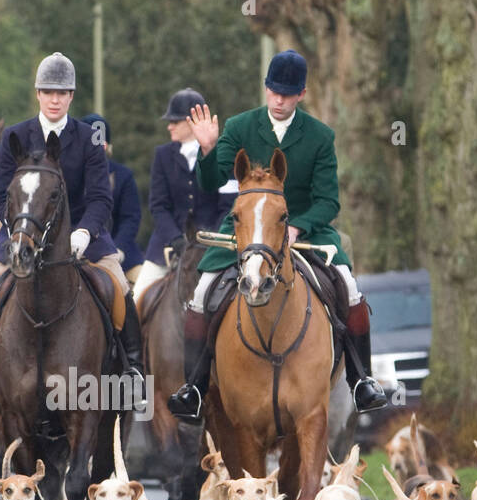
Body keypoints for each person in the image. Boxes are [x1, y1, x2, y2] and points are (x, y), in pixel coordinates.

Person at [166, 49, 388, 422]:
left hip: (304, 231)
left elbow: (328, 200)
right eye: (273, 91)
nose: (279, 100)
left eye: (287, 93)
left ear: (301, 94)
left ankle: (361, 379)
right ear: (266, 88)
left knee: (349, 287)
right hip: (248, 231)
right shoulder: (239, 127)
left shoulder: (320, 136)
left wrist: (298, 225)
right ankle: (194, 386)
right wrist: (207, 148)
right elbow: (210, 182)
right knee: (203, 292)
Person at [0, 52, 144, 415]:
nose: (55, 99)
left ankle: (133, 372)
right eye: (48, 92)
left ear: (71, 96)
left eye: (63, 93)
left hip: (84, 237)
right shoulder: (14, 135)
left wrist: (85, 233)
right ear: (38, 93)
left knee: (119, 287)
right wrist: (16, 232)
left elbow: (101, 196)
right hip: (21, 235)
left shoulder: (89, 138)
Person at [130, 88, 236, 309]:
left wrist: (210, 240)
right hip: (168, 245)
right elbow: (158, 206)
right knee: (137, 298)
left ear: (191, 122)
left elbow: (228, 207)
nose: (169, 126)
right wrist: (176, 239)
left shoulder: (224, 155)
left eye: (175, 121)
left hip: (213, 243)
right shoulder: (162, 155)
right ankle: (133, 345)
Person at [79, 113, 142, 281]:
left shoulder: (123, 176)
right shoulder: (70, 174)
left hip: (120, 252)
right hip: (76, 250)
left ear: (107, 146)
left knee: (142, 286)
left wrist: (119, 248)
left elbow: (131, 218)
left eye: (101, 144)